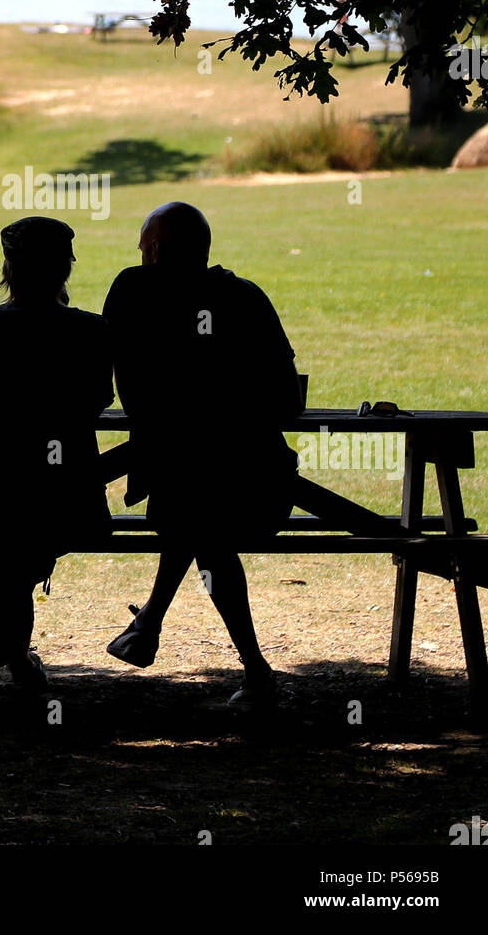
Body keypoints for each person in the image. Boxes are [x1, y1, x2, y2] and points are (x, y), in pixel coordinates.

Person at [102, 201, 303, 706]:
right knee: (201, 517)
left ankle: (153, 621)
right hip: (258, 485)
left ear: (157, 250)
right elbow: (286, 396)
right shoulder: (245, 298)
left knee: (194, 509)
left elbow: (101, 377)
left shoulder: (135, 294)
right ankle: (250, 668)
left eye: (145, 248)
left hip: (197, 491)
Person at [0, 216, 113, 689]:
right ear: (65, 271)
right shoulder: (92, 331)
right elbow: (97, 399)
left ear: (8, 268)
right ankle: (8, 646)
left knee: (0, 518)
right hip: (66, 501)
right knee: (27, 524)